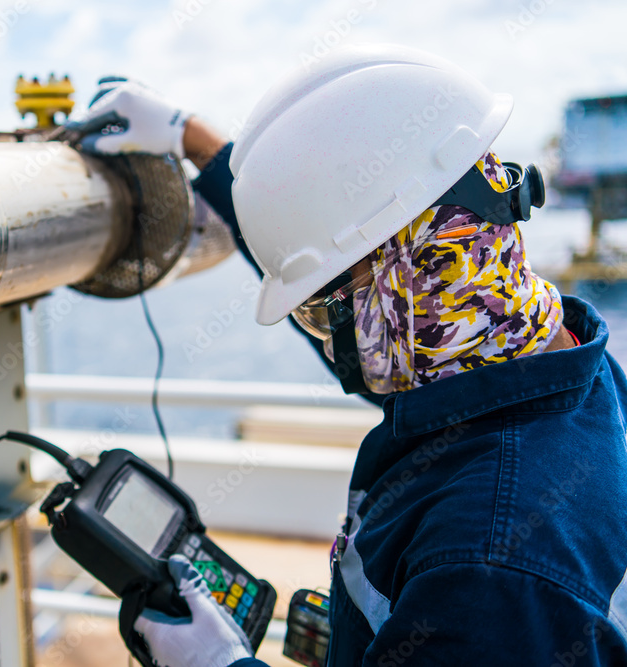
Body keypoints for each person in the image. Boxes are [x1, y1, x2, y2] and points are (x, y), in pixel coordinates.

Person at [66, 44, 627, 666]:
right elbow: (373, 311)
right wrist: (193, 141)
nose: (335, 344)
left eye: (322, 312)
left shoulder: (486, 570)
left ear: (411, 279)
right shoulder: (563, 365)